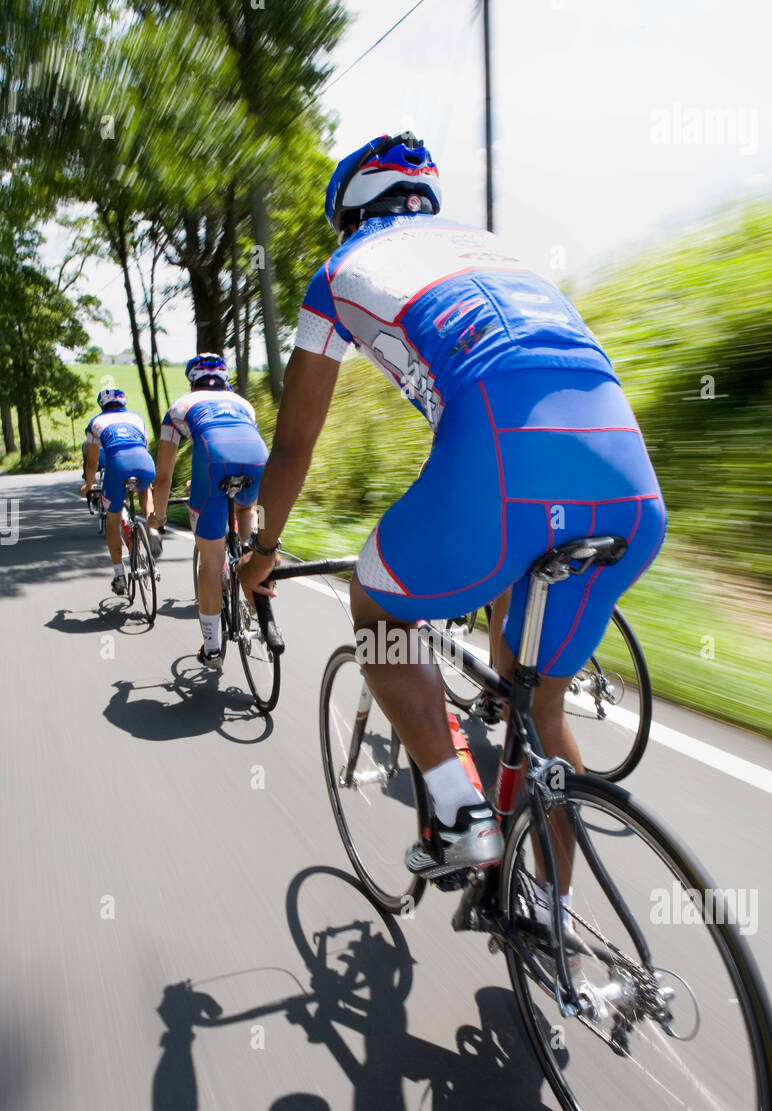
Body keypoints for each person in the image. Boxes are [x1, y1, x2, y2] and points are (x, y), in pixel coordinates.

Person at [240, 132, 666, 882]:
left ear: (349, 215)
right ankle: (553, 916)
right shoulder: (493, 251)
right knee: (540, 709)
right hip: (628, 476)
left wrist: (262, 550)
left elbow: (294, 446)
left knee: (376, 607)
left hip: (501, 456)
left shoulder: (340, 271)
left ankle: (457, 813)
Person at [150, 353, 268, 670]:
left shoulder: (179, 408)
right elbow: (236, 444)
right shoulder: (244, 404)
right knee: (247, 514)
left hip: (213, 464)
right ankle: (259, 604)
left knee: (211, 560)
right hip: (258, 460)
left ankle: (213, 649)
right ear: (225, 381)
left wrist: (158, 518)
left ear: (192, 381)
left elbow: (163, 477)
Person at [80, 388, 156, 596]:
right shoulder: (137, 418)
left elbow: (92, 462)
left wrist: (88, 486)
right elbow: (144, 445)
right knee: (145, 491)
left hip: (117, 466)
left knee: (112, 522)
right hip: (144, 463)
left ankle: (119, 575)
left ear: (101, 405)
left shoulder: (95, 423)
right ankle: (153, 528)